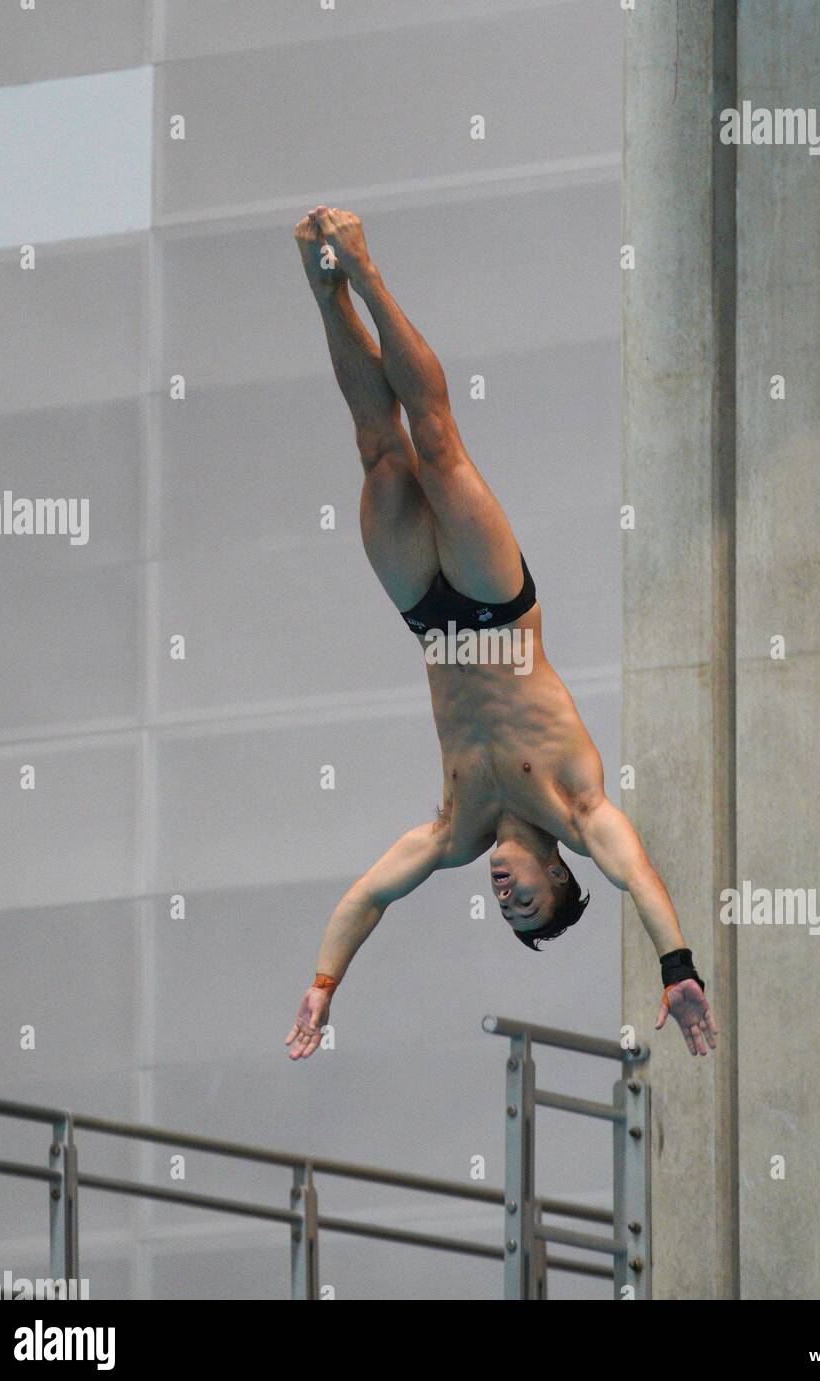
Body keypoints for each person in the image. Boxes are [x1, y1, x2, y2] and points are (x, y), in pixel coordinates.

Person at [285, 208, 716, 1063]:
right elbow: (638, 876)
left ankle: (323, 287)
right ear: (559, 874)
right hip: (492, 609)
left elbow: (369, 896)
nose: (503, 893)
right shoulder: (578, 805)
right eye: (526, 901)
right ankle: (366, 271)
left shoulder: (455, 830)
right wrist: (677, 967)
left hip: (429, 621)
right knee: (437, 442)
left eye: (505, 908)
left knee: (379, 453)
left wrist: (324, 983)